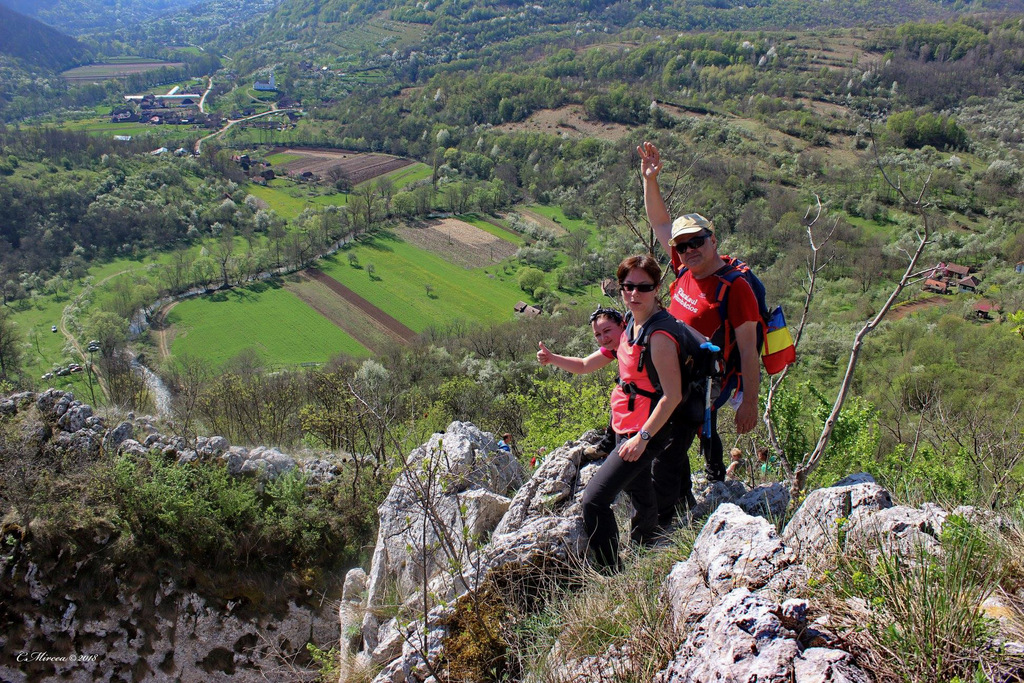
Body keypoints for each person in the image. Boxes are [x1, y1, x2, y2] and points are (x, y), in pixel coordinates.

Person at [537, 255, 683, 571]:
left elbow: (673, 396)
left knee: (594, 500)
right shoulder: (631, 324)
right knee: (639, 488)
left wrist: (643, 438)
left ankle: (610, 572)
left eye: (643, 287)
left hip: (645, 430)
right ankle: (647, 543)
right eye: (628, 286)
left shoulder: (658, 335)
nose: (634, 293)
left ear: (657, 288)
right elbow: (585, 364)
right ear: (620, 288)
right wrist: (552, 358)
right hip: (625, 426)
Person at [639, 141, 761, 488]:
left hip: (707, 378)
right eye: (682, 245)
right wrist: (650, 180)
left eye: (697, 241)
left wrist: (750, 403)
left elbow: (749, 351)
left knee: (682, 435)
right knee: (686, 432)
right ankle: (693, 487)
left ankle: (705, 484)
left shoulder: (735, 288)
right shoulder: (685, 269)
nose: (689, 249)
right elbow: (660, 222)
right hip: (676, 368)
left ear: (713, 240)